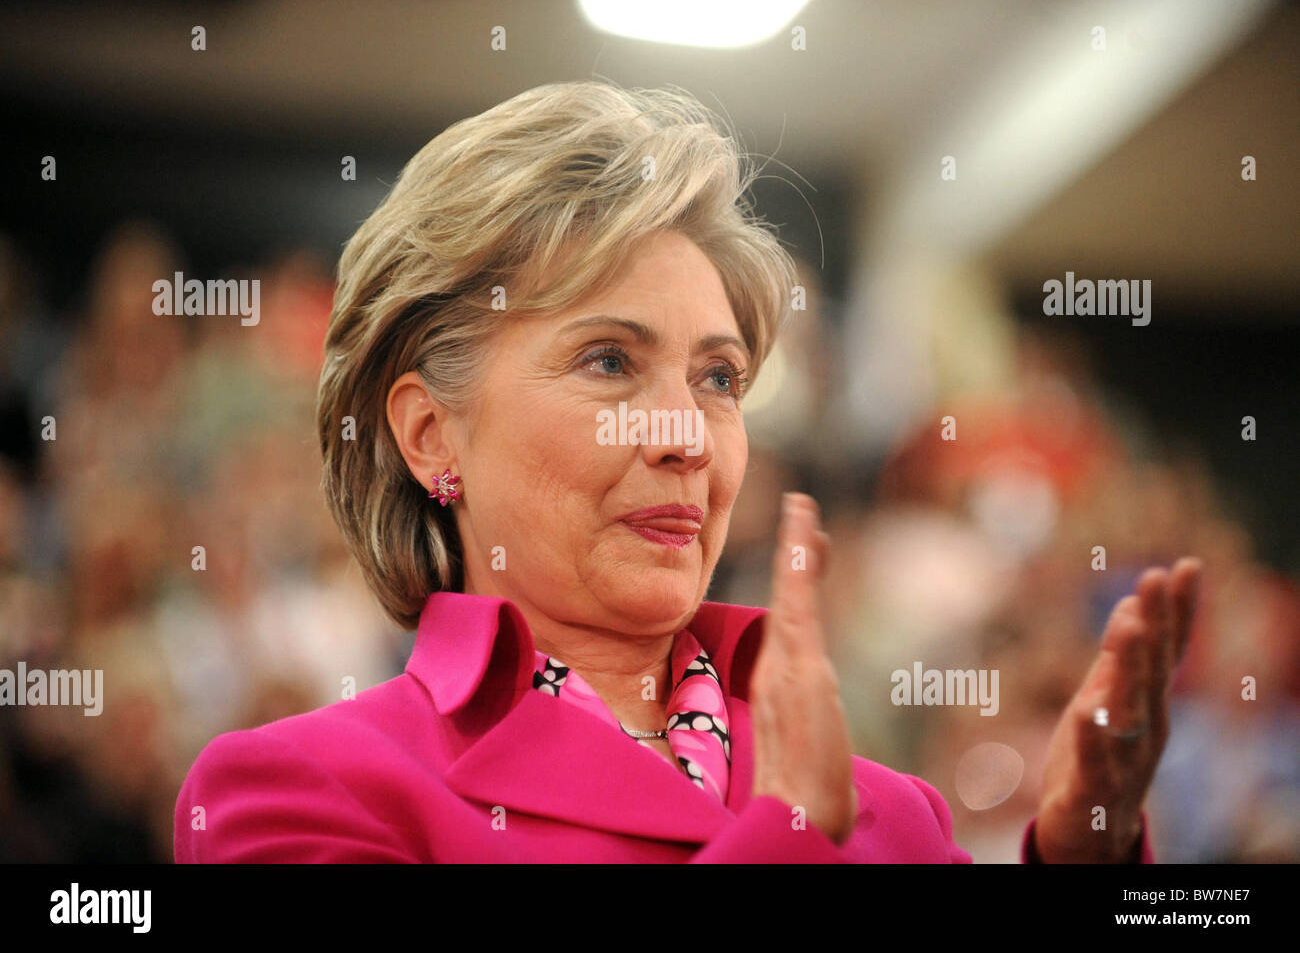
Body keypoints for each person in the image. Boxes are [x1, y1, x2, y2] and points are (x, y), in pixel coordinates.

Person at [174, 81, 1201, 862]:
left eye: (717, 377)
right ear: (430, 435)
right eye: (609, 361)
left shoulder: (895, 812)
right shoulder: (296, 793)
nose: (688, 436)